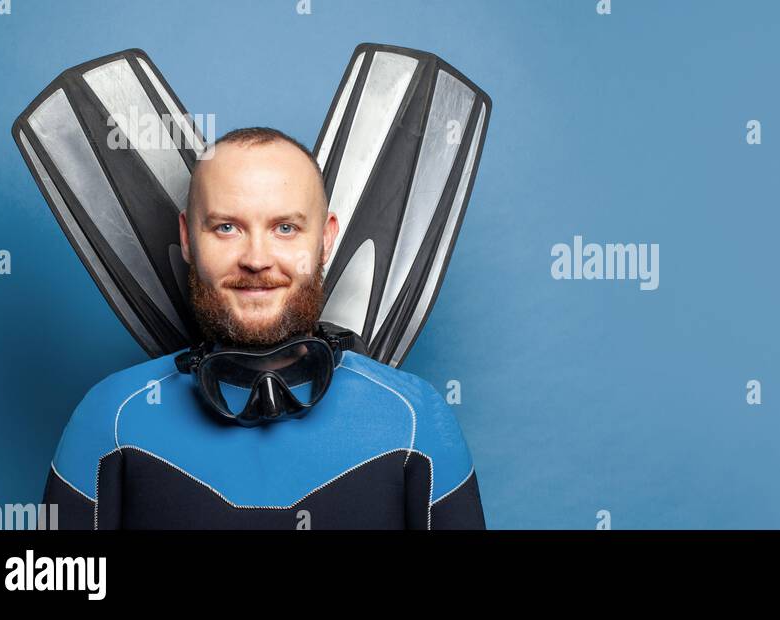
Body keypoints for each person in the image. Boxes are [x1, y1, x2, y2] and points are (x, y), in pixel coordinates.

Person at [41, 128, 486, 530]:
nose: (256, 259)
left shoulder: (415, 421)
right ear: (189, 238)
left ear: (326, 239)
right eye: (227, 227)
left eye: (285, 228)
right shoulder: (111, 417)